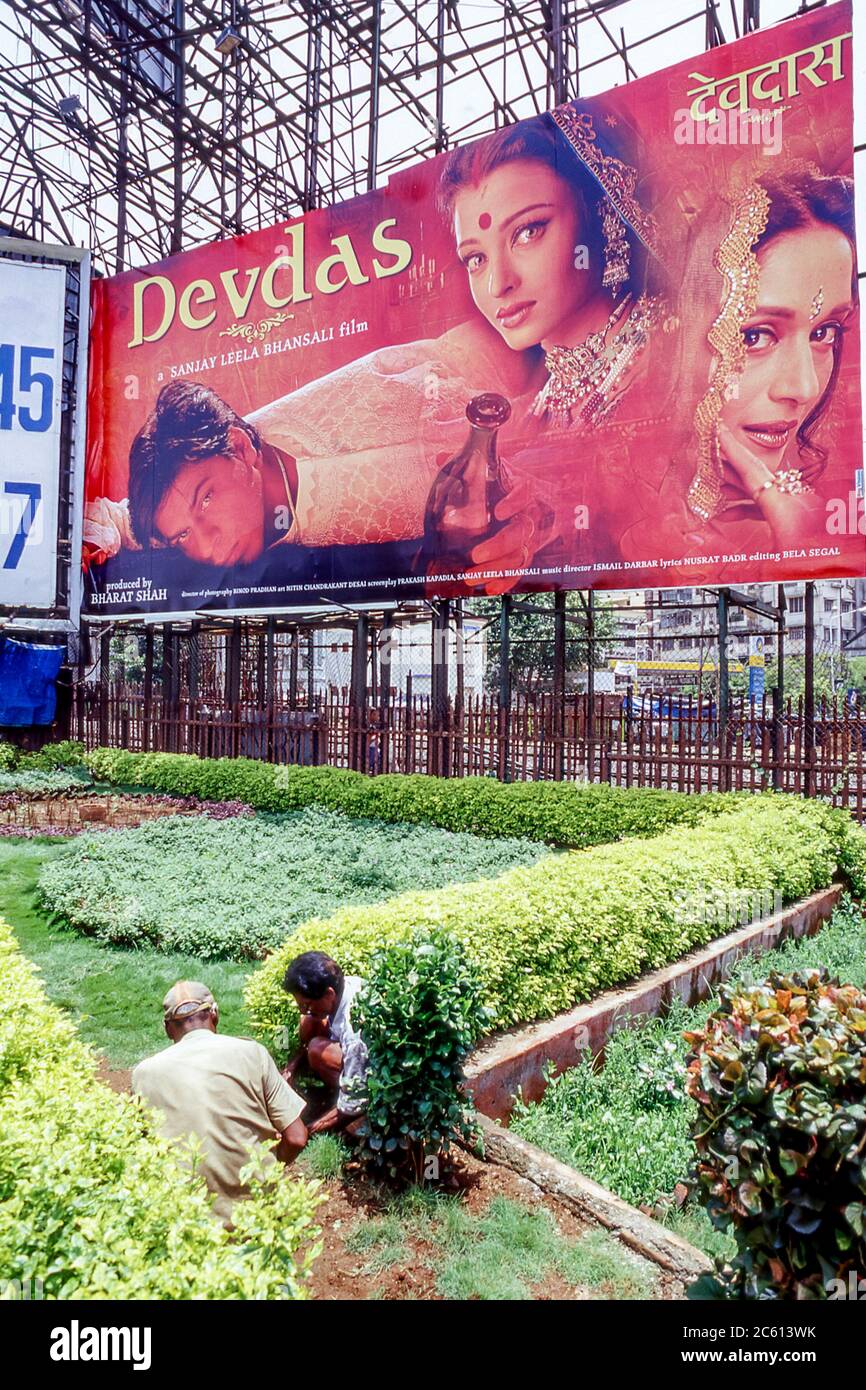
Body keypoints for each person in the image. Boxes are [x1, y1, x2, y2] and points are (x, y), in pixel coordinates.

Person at [620, 167, 857, 577]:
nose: (804, 386)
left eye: (824, 332)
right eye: (754, 337)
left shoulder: (824, 529)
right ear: (681, 335)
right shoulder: (623, 512)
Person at [132, 980, 307, 1225]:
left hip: (186, 1219)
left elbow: (140, 1154)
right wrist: (270, 1167)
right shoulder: (252, 1053)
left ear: (167, 1028)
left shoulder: (144, 1074)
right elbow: (297, 1137)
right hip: (256, 1213)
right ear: (215, 1014)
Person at [282, 951, 369, 1137]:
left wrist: (307, 1130)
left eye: (307, 1004)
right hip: (351, 1049)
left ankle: (364, 1114)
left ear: (329, 994)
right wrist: (291, 1069)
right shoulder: (344, 986)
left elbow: (354, 1102)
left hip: (369, 1075)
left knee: (316, 1050)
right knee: (309, 1022)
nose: (302, 1010)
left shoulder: (355, 1034)